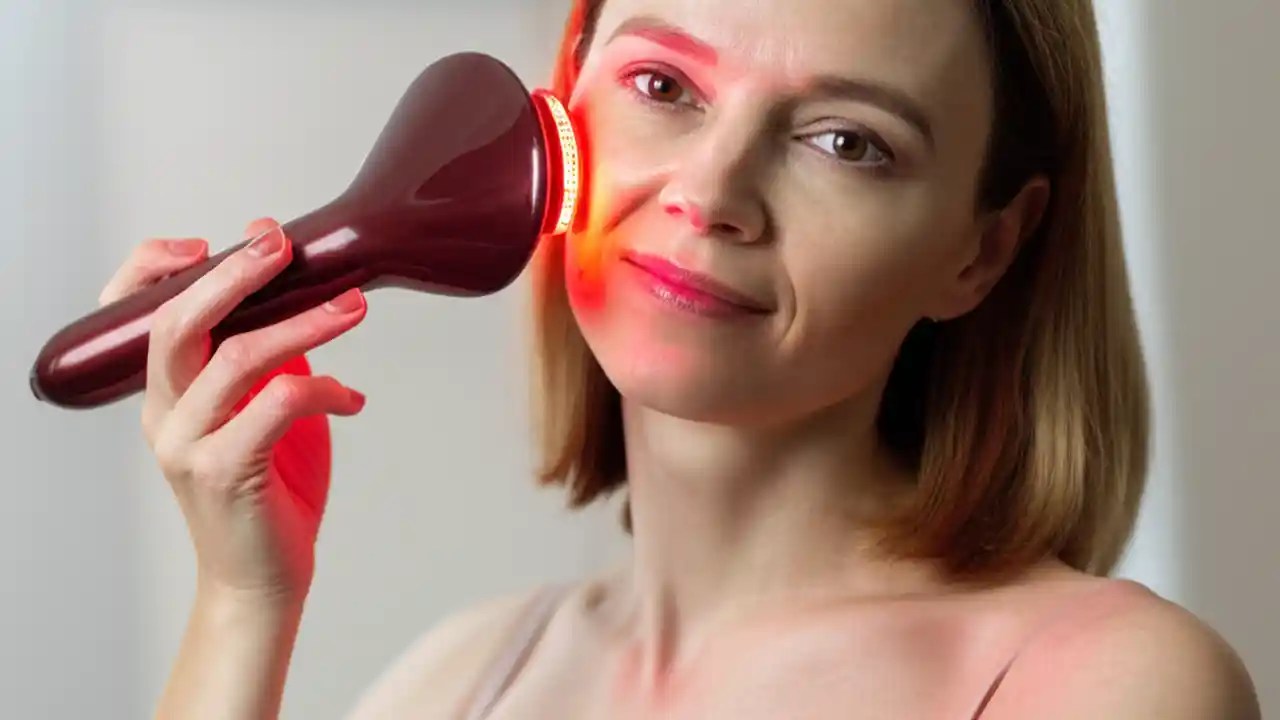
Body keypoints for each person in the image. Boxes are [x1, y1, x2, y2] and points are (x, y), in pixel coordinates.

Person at [100, 0, 1261, 717]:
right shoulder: (454, 683)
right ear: (557, 111)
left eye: (845, 141)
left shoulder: (1107, 685)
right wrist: (243, 604)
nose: (710, 194)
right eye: (662, 86)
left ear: (981, 249)